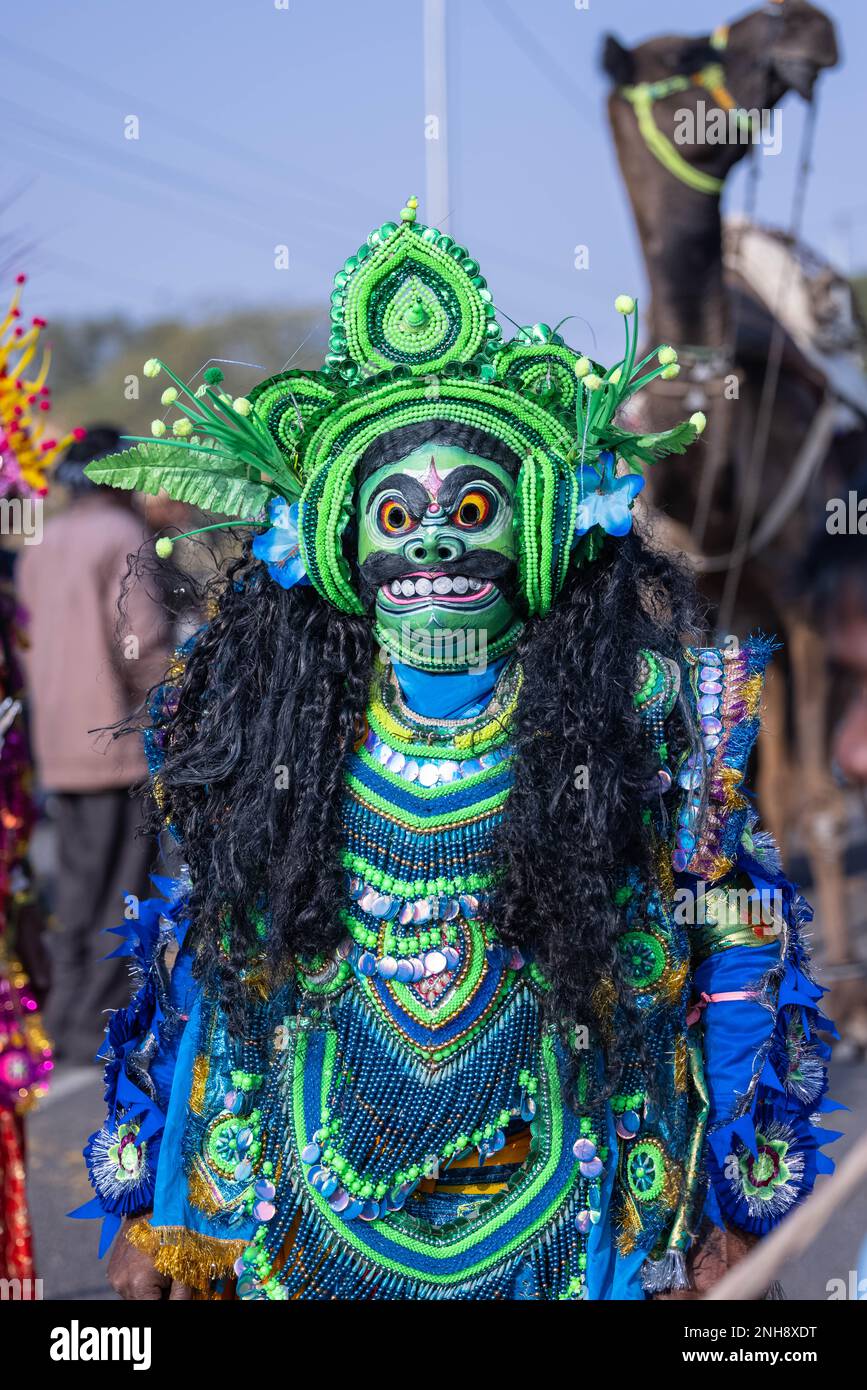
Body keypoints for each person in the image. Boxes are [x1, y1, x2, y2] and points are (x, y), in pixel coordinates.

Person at [74, 201, 838, 1298]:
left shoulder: (637, 714)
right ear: (339, 542)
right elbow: (226, 977)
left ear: (533, 527)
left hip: (574, 1238)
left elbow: (727, 943)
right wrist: (173, 1215)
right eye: (395, 513)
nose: (433, 536)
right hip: (314, 1232)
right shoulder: (282, 731)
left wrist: (718, 1208)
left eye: (470, 503)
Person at [17, 426, 171, 1065]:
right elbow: (144, 641)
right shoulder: (122, 537)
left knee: (78, 886)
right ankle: (97, 1026)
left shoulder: (40, 543)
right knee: (122, 889)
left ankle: (63, 1015)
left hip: (56, 743)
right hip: (118, 744)